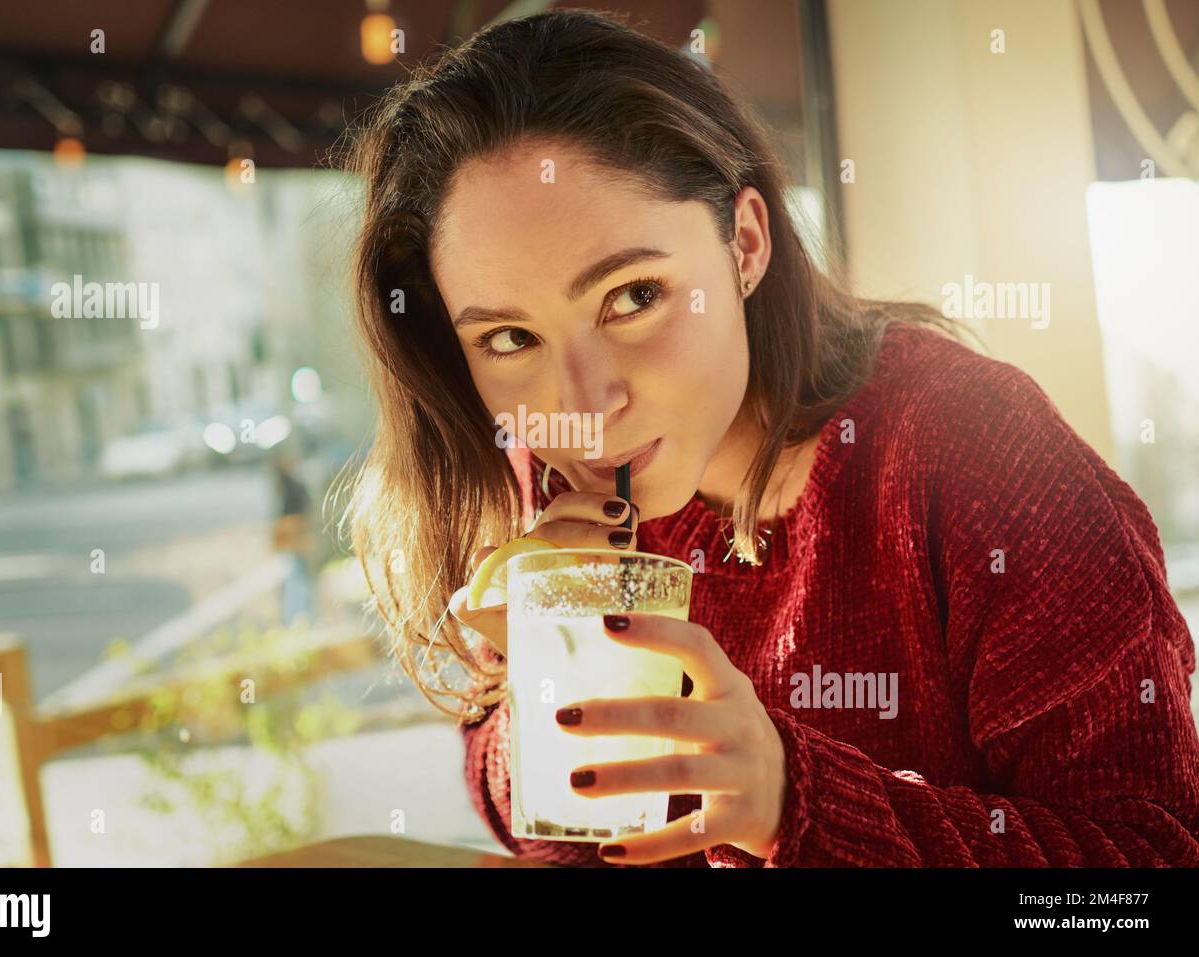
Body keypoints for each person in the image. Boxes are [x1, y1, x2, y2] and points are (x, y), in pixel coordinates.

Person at [337, 10, 1199, 867]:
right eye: (510, 338)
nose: (585, 403)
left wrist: (796, 804)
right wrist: (538, 693)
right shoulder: (545, 473)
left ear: (746, 243)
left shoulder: (979, 457)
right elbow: (544, 826)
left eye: (634, 296)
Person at [272, 452, 314, 627]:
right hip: (295, 536)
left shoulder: (290, 486)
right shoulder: (294, 485)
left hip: (293, 536)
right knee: (297, 575)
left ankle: (297, 618)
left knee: (295, 576)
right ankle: (300, 616)